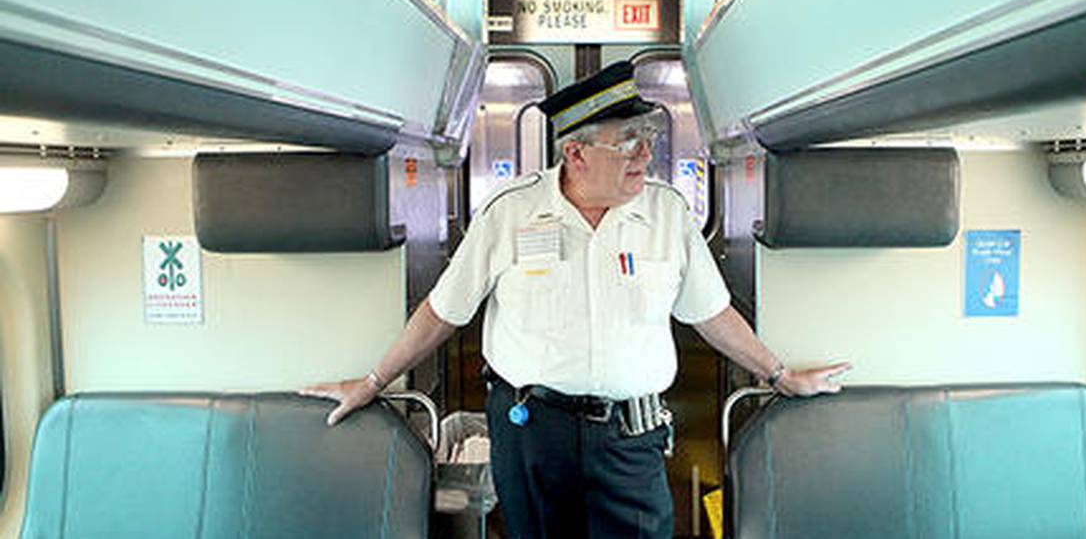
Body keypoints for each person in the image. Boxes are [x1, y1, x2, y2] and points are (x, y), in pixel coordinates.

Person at [301, 60, 851, 539]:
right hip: (531, 433)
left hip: (630, 438)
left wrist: (781, 375)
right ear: (576, 153)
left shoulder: (667, 215)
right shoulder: (509, 213)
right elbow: (444, 311)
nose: (644, 156)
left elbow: (713, 314)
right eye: (627, 144)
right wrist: (373, 384)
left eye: (649, 140)